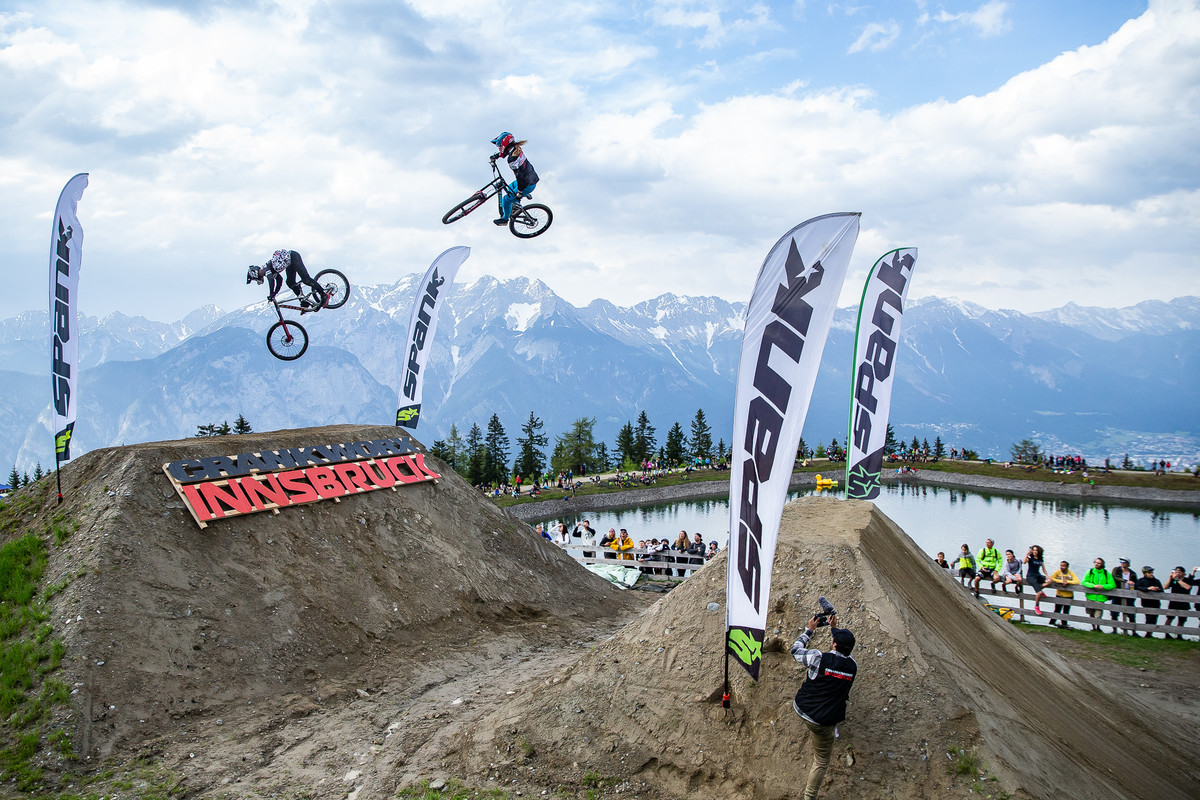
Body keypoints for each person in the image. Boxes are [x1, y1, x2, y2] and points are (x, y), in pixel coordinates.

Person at [790, 610, 858, 800]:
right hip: (823, 720)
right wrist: (834, 629)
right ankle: (809, 797)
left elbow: (795, 651)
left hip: (802, 707)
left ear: (834, 644)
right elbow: (841, 653)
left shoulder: (819, 658)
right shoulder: (852, 667)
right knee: (821, 761)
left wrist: (809, 630)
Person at [248, 249, 326, 309]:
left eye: (254, 279)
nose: (256, 280)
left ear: (255, 274)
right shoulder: (268, 270)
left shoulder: (265, 270)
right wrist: (274, 294)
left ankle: (323, 294)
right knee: (290, 282)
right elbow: (279, 280)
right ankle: (303, 301)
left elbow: (271, 281)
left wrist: (271, 293)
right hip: (289, 262)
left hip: (293, 257)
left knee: (306, 279)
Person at [490, 132, 539, 226]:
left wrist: (520, 192)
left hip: (526, 183)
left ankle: (504, 219)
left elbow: (519, 176)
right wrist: (496, 156)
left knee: (506, 199)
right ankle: (516, 202)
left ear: (504, 144)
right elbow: (504, 153)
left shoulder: (512, 159)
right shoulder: (515, 149)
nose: (499, 148)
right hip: (529, 178)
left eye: (499, 146)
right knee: (510, 188)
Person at [1081, 557, 1116, 632]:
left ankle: (1098, 627)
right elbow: (1084, 582)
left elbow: (1112, 585)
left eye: (1098, 563)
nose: (1096, 564)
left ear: (1102, 564)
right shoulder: (1090, 572)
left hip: (1100, 597)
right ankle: (1093, 627)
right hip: (1090, 596)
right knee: (1090, 613)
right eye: (1095, 562)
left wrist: (1103, 586)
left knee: (1098, 614)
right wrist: (1093, 586)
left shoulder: (1106, 573)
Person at [1163, 566, 1194, 639]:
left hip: (1184, 603)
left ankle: (1179, 635)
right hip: (1173, 603)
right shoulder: (1173, 580)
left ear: (1183, 573)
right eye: (1176, 572)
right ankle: (1166, 633)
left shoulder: (1187, 580)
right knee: (1169, 618)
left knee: (1182, 620)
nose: (1177, 573)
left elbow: (1188, 587)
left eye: (1179, 572)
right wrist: (1170, 578)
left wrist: (1178, 580)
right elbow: (1164, 587)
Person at [1047, 560, 1079, 628]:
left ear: (1067, 567)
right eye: (1061, 565)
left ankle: (1064, 625)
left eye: (1063, 566)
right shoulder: (1058, 572)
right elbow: (1051, 578)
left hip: (1068, 596)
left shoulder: (1070, 573)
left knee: (1066, 611)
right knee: (1057, 610)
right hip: (1059, 595)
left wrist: (1068, 582)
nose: (1062, 567)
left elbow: (1077, 582)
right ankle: (1051, 623)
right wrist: (1061, 582)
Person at [1110, 558, 1137, 635]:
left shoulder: (1132, 573)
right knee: (1114, 612)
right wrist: (1124, 581)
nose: (1122, 563)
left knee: (1131, 613)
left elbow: (1136, 582)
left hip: (1129, 594)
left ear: (1128, 563)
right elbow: (1114, 577)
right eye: (1121, 562)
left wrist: (1133, 584)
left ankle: (1133, 631)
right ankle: (1114, 630)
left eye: (1124, 562)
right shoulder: (1116, 570)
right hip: (1117, 593)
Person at [1135, 566, 1163, 637]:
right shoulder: (1141, 580)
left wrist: (1157, 589)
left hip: (1156, 603)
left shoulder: (1156, 581)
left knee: (1154, 618)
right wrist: (1148, 588)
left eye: (1152, 572)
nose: (1151, 574)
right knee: (1149, 617)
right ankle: (1147, 633)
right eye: (1149, 572)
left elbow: (1162, 590)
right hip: (1146, 603)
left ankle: (1150, 633)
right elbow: (1137, 587)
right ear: (1145, 573)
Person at [1024, 545, 1047, 615]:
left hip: (1038, 575)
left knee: (1050, 581)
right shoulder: (1030, 557)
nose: (1034, 552)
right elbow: (1024, 562)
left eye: (1036, 550)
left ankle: (1039, 588)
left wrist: (1047, 576)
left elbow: (1043, 569)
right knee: (1039, 592)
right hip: (1031, 576)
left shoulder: (1040, 559)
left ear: (1039, 551)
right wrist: (1027, 554)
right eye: (1033, 550)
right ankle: (1036, 606)